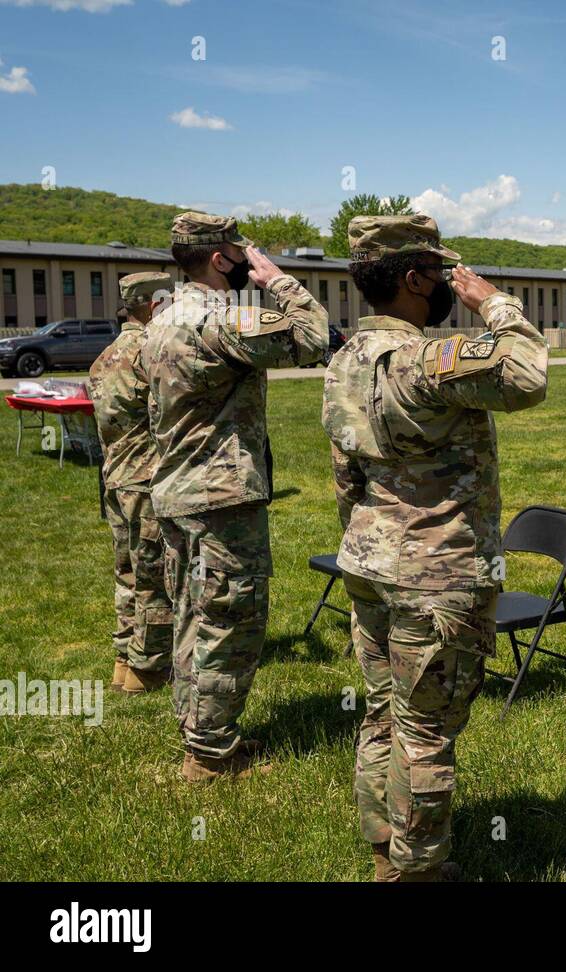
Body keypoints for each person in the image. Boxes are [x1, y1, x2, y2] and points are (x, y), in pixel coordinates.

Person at [321, 214, 548, 881]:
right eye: (444, 274)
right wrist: (491, 302)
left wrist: (363, 542)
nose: (454, 285)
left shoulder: (344, 360)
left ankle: (385, 852)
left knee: (382, 715)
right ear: (415, 278)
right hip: (437, 573)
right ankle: (417, 871)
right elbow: (530, 375)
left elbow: (346, 475)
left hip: (368, 560)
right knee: (425, 733)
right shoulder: (424, 357)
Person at [144, 212, 328, 782]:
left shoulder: (164, 315)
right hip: (219, 496)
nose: (250, 259)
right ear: (222, 259)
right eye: (241, 252)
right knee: (230, 618)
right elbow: (313, 337)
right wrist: (278, 279)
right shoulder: (219, 317)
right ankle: (211, 753)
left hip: (177, 489)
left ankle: (198, 731)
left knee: (192, 614)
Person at [88, 271, 175, 695]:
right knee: (153, 575)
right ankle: (149, 667)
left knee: (126, 572)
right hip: (145, 481)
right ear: (153, 305)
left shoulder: (104, 357)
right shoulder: (151, 351)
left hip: (115, 479)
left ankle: (124, 657)